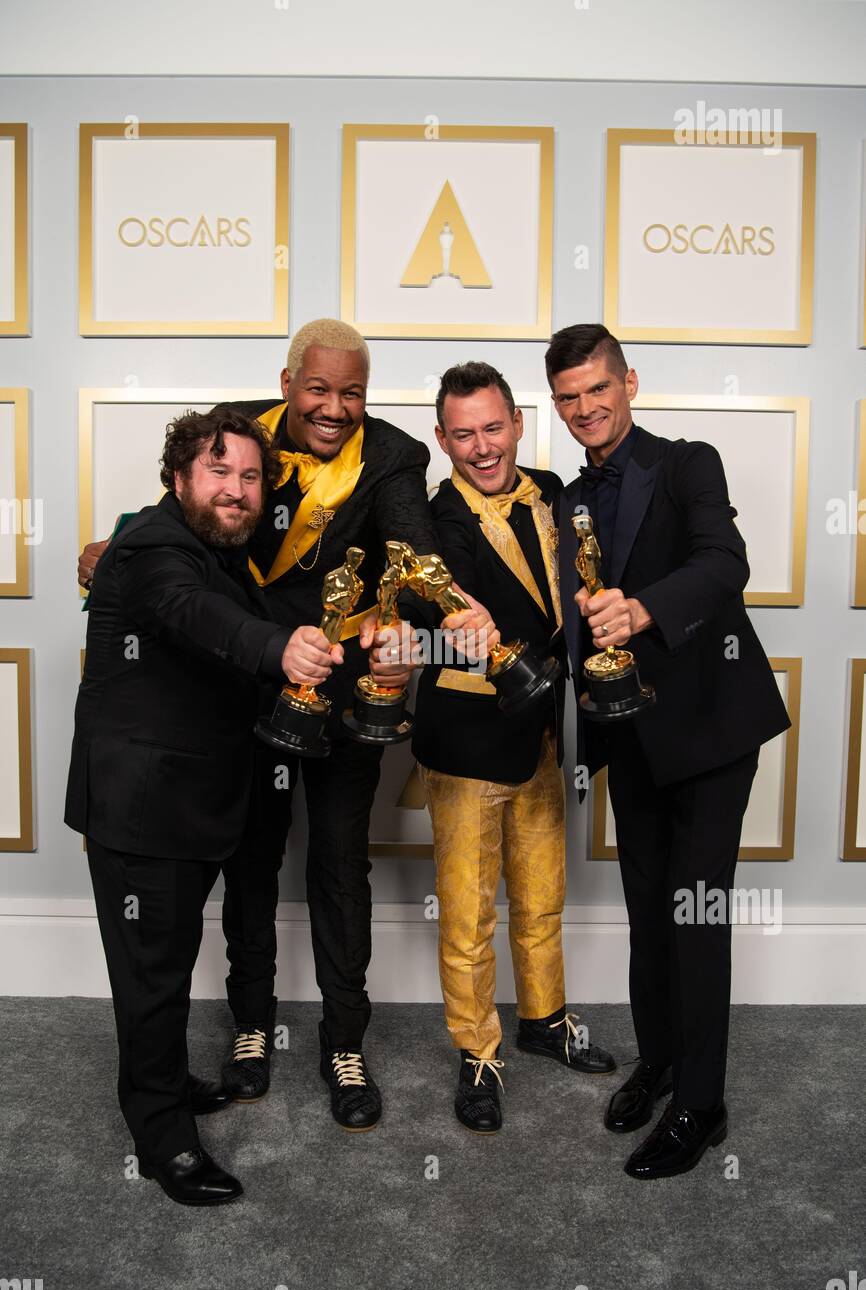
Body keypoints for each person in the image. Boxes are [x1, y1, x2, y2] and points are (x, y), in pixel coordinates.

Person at [79, 320, 439, 1132]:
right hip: (243, 686)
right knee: (248, 864)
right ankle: (250, 1030)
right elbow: (194, 509)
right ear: (287, 384)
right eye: (320, 389)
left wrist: (401, 628)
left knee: (341, 867)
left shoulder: (393, 456)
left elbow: (416, 566)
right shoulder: (238, 429)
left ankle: (345, 1041)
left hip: (344, 692)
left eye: (353, 392)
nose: (336, 408)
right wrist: (124, 535)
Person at [65, 406, 335, 1205]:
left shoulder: (217, 550)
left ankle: (167, 1081)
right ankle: (163, 1143)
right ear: (177, 478)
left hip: (194, 804)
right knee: (151, 978)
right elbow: (194, 615)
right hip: (144, 812)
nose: (237, 490)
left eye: (250, 477)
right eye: (219, 472)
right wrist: (277, 648)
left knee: (166, 967)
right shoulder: (152, 550)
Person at [549, 324, 790, 1179]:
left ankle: (702, 1103)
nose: (585, 409)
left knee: (695, 914)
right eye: (568, 398)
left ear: (630, 383)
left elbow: (726, 562)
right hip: (632, 732)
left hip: (713, 729)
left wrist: (644, 610)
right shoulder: (568, 500)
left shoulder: (690, 462)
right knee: (648, 911)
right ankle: (658, 1064)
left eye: (597, 390)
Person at [410, 361, 616, 1134]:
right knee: (468, 916)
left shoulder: (556, 494)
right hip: (466, 741)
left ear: (519, 422)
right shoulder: (428, 522)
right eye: (462, 434)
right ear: (442, 439)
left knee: (541, 894)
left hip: (542, 734)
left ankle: (544, 1018)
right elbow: (411, 622)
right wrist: (449, 631)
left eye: (493, 427)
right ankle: (477, 1052)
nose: (482, 447)